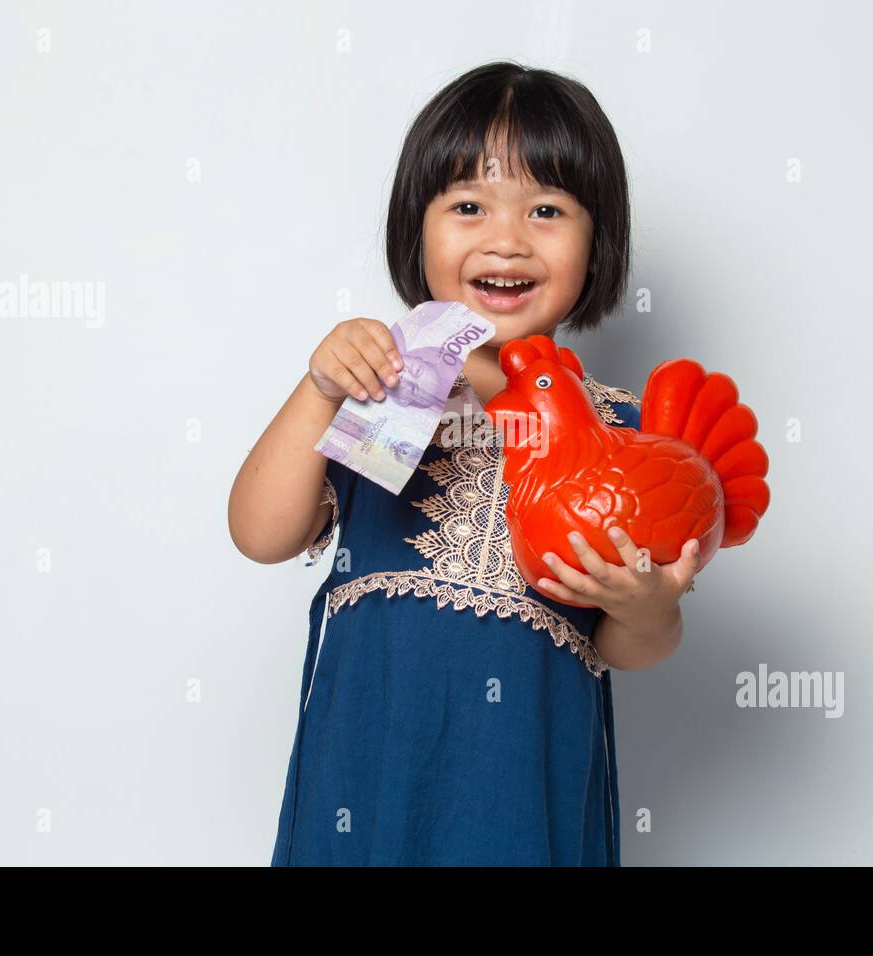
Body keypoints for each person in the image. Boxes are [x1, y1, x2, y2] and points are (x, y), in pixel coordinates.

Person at [228, 61, 700, 866]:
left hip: (520, 794)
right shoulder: (378, 385)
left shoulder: (628, 433)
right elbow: (261, 535)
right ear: (419, 226)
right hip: (366, 785)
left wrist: (649, 608)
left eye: (547, 209)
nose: (507, 239)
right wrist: (318, 391)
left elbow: (629, 645)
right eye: (469, 206)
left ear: (601, 240)